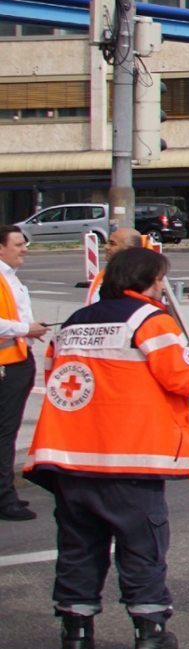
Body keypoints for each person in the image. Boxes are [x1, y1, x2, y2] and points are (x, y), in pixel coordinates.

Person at [25, 246, 189, 649]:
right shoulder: (150, 320)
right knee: (141, 545)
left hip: (71, 458)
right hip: (130, 457)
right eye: (160, 279)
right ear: (144, 280)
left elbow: (56, 376)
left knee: (78, 548)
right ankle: (149, 636)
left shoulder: (73, 323)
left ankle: (75, 636)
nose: (163, 286)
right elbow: (184, 376)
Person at [1, 222, 54, 521]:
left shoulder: (10, 277)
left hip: (16, 359)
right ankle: (4, 499)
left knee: (6, 434)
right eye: (18, 244)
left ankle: (6, 494)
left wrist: (30, 330)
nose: (24, 250)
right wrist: (25, 329)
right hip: (6, 364)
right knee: (4, 435)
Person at [83, 227, 144, 304]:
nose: (106, 247)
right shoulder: (103, 274)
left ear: (130, 249)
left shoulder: (145, 278)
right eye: (107, 243)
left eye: (112, 244)